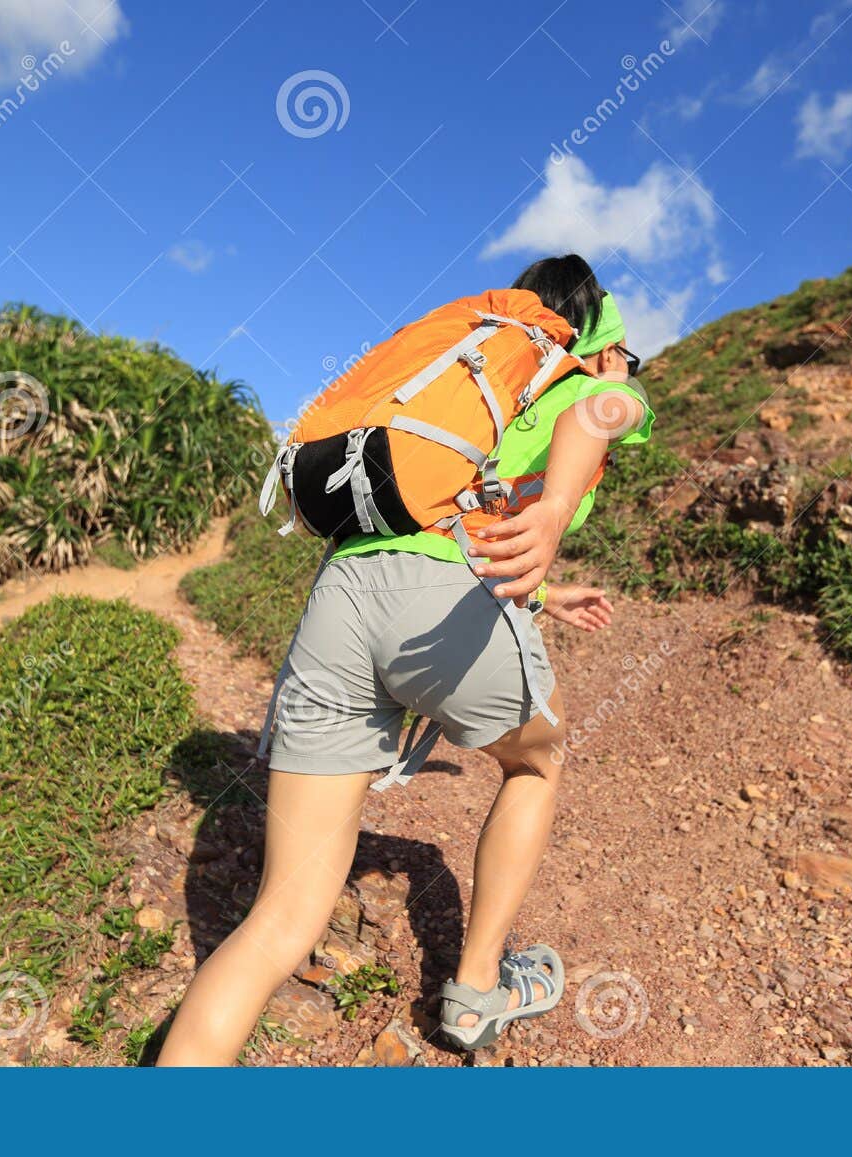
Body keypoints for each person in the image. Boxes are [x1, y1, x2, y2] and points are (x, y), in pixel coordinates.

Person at [158, 254, 654, 1064]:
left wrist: (546, 591)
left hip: (343, 597)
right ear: (601, 339)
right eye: (629, 354)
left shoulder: (478, 383)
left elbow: (449, 521)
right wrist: (560, 504)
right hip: (445, 608)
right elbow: (598, 415)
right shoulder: (587, 376)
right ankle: (478, 989)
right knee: (538, 764)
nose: (629, 370)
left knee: (280, 916)